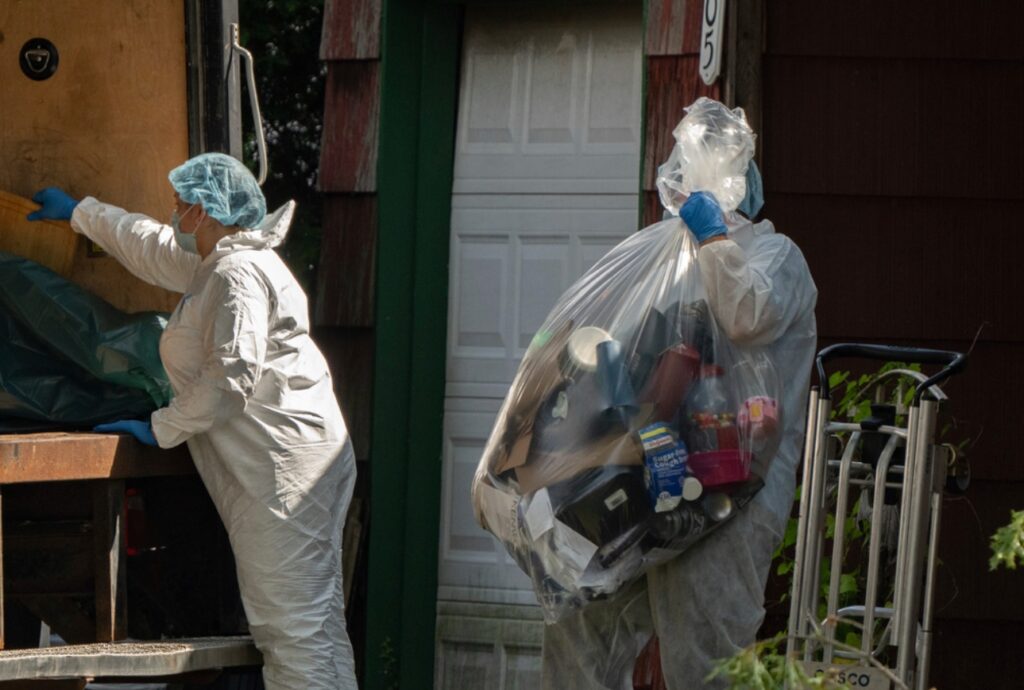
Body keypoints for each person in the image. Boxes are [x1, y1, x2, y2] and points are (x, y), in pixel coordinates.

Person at [28, 153, 358, 690]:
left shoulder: (235, 275)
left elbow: (232, 376)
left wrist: (164, 426)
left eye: (181, 203)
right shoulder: (221, 263)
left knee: (292, 630)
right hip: (287, 459)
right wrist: (81, 213)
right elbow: (152, 245)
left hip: (283, 472)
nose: (174, 211)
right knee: (311, 623)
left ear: (205, 211)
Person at [539, 100, 818, 689]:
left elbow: (745, 316)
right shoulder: (671, 264)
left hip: (731, 493)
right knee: (582, 626)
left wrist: (714, 236)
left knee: (706, 659)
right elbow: (621, 355)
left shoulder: (778, 256)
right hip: (648, 477)